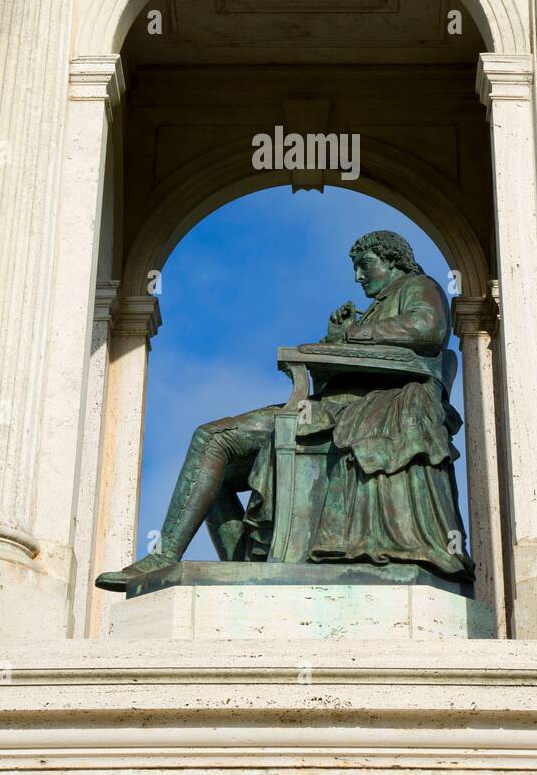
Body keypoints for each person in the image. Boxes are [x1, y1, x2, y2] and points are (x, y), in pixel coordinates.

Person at [96, 230, 473, 590]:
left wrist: (351, 336)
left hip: (358, 411)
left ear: (393, 261)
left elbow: (428, 328)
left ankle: (164, 556)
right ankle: (244, 569)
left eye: (365, 264)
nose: (358, 276)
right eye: (355, 267)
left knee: (211, 439)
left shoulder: (417, 287)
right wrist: (334, 337)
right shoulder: (377, 307)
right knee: (218, 463)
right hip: (336, 405)